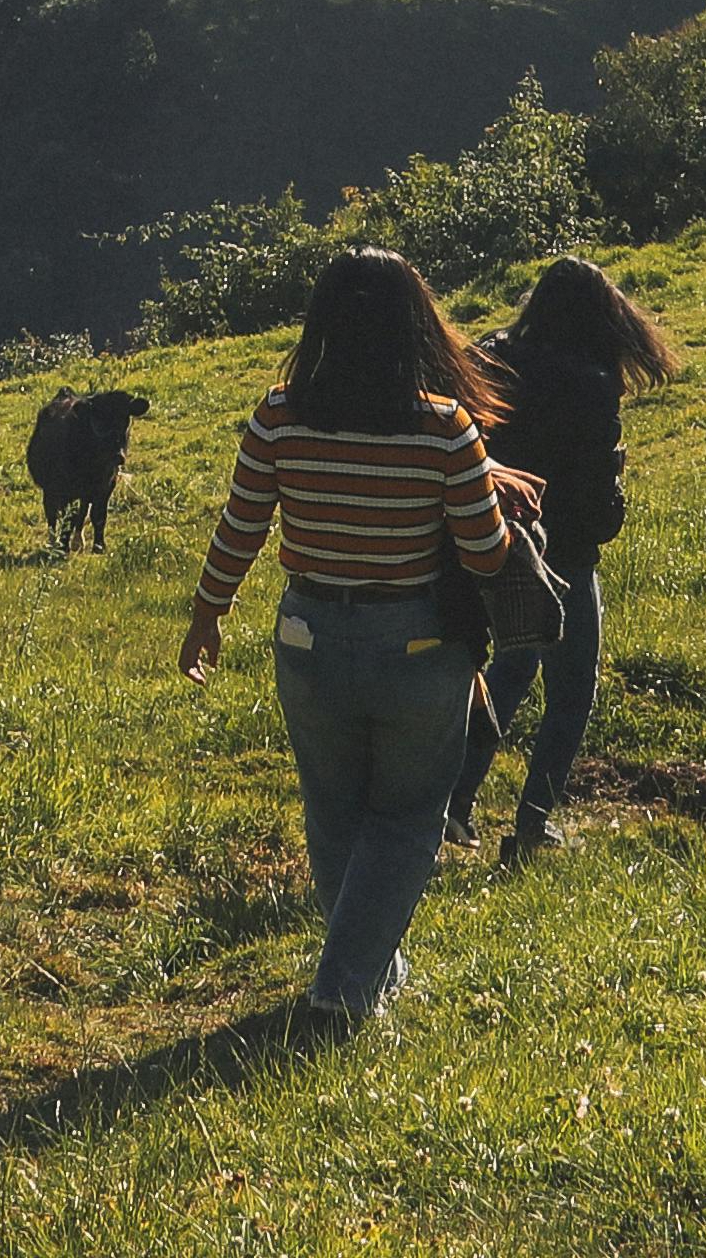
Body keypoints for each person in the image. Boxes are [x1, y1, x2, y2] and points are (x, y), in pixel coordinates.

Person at [181, 247, 523, 1029]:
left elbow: (241, 528)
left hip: (309, 636)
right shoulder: (445, 428)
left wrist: (207, 615)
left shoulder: (279, 416)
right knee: (406, 818)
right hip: (417, 644)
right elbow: (486, 556)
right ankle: (342, 989)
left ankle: (368, 967)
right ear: (416, 325)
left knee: (332, 813)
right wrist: (496, 505)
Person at [445, 254, 678, 863]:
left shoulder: (492, 358)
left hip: (492, 539)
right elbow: (598, 497)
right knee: (572, 691)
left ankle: (455, 801)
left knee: (508, 670)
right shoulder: (592, 385)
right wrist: (610, 509)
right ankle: (532, 820)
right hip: (565, 553)